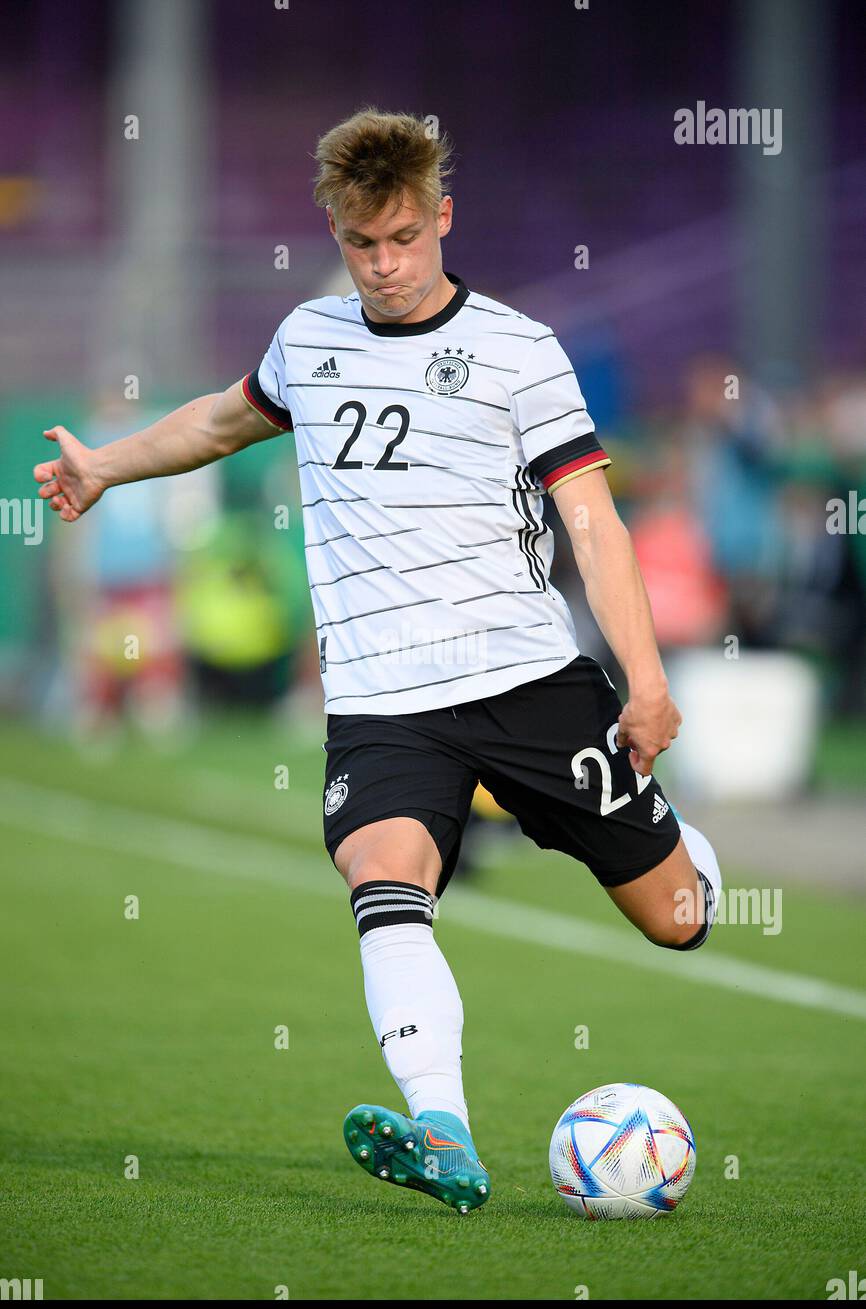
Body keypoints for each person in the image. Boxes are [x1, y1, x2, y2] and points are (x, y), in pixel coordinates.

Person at [34, 106, 721, 1217]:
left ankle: (673, 835)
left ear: (442, 217)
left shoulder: (516, 350)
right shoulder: (307, 338)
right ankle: (443, 1131)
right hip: (379, 703)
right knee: (383, 881)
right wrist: (105, 466)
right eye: (362, 243)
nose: (385, 263)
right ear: (336, 232)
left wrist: (643, 681)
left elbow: (591, 522)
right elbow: (220, 423)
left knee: (679, 917)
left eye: (404, 236)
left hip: (527, 683)